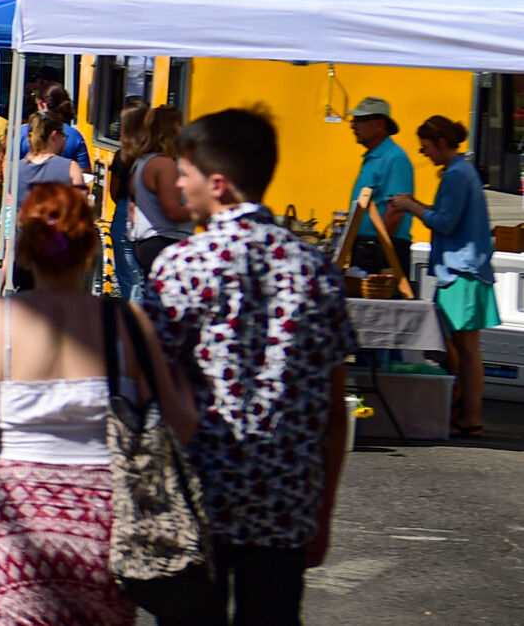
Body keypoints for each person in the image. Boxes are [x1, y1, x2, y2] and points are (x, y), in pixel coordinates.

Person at [140, 108, 354, 626]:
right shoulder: (316, 270)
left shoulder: (182, 266)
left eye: (185, 174)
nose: (180, 185)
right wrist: (322, 513)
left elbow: (147, 388)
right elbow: (333, 410)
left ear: (218, 184)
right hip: (285, 502)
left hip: (197, 500)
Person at [0, 183, 195, 625]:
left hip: (22, 520)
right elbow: (181, 423)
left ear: (25, 251)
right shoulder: (127, 322)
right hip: (106, 522)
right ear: (89, 251)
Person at [390, 116, 497, 437]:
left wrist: (411, 207)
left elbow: (445, 223)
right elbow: (447, 216)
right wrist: (417, 204)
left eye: (425, 147)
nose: (423, 154)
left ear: (440, 143)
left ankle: (470, 416)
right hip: (463, 271)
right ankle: (462, 409)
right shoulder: (462, 172)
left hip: (462, 272)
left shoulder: (456, 175)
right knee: (459, 347)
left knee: (465, 349)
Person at [346, 96, 415, 277]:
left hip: (383, 250)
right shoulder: (375, 157)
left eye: (360, 120)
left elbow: (396, 210)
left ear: (379, 124)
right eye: (354, 121)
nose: (353, 126)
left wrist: (378, 252)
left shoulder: (394, 158)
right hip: (369, 247)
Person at [127, 105, 196, 276]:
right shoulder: (165, 165)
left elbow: (133, 203)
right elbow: (173, 212)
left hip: (145, 242)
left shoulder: (140, 162)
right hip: (165, 242)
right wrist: (202, 207)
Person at [103, 102, 151, 299]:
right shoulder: (155, 157)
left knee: (128, 279)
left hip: (124, 213)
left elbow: (114, 192)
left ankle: (132, 315)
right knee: (146, 279)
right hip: (150, 216)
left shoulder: (121, 156)